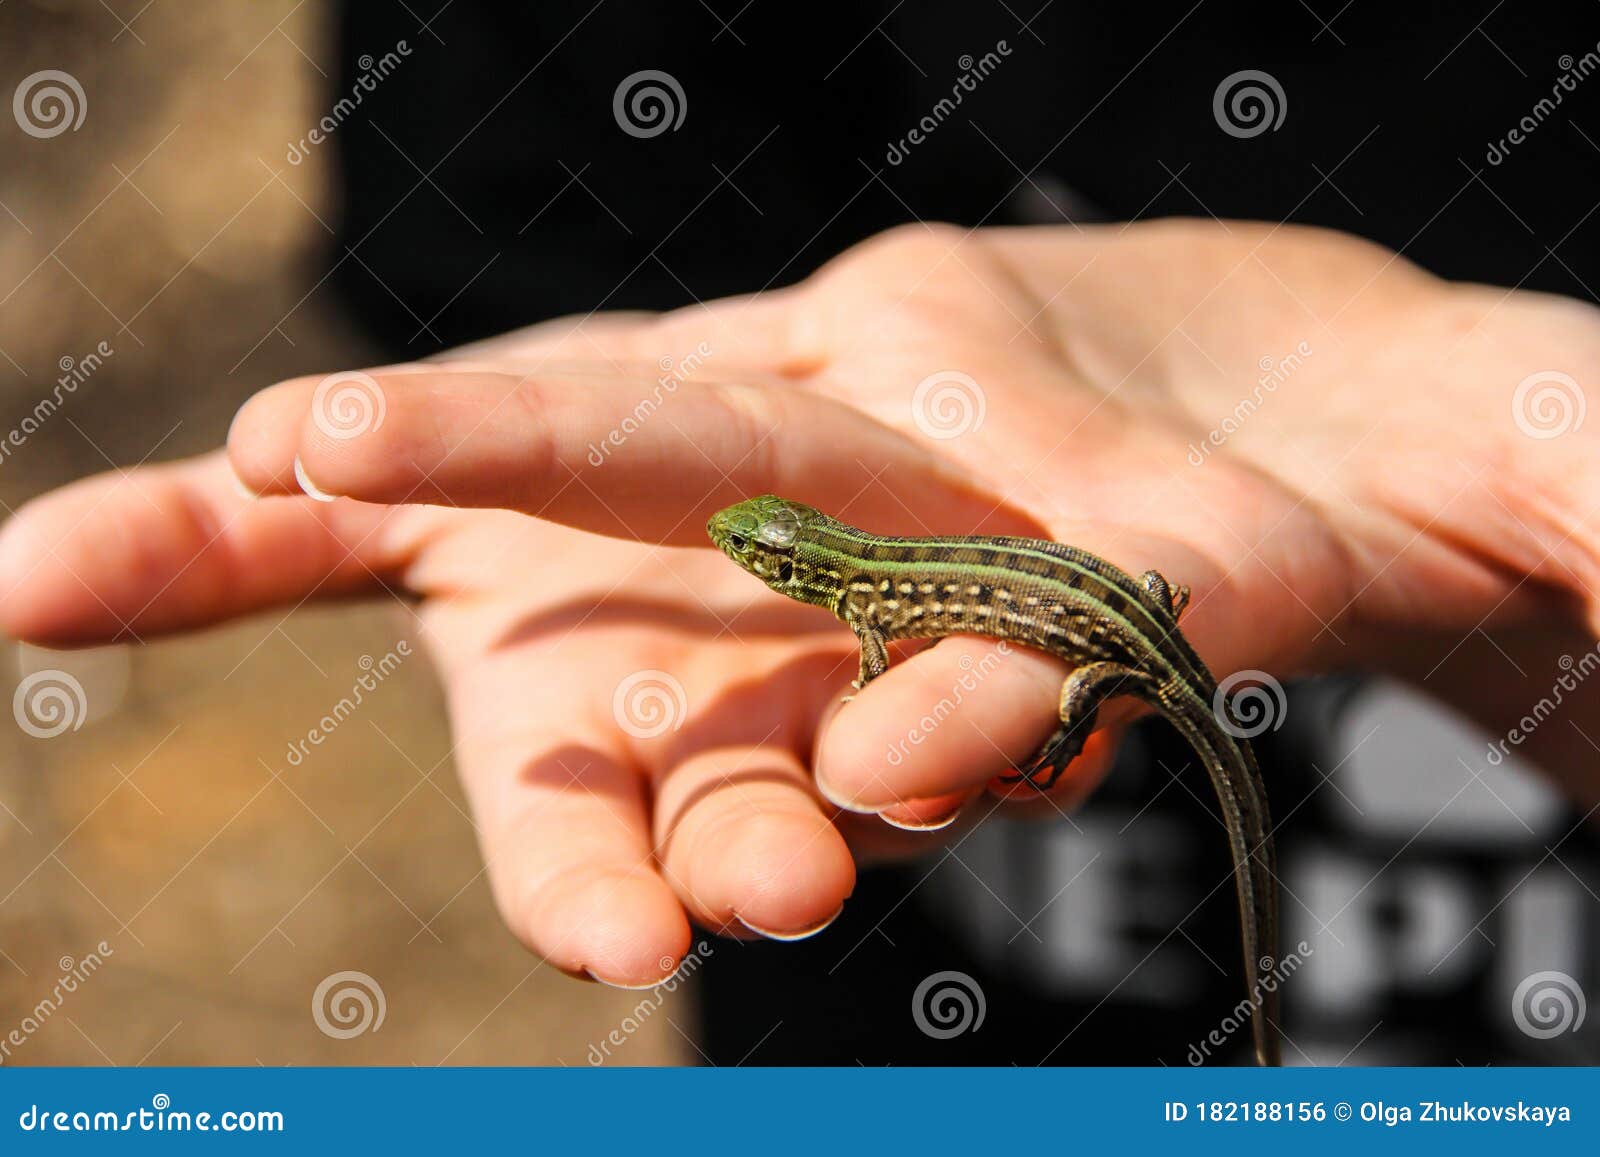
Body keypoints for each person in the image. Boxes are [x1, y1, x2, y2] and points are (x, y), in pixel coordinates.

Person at [5, 5, 1599, 1063]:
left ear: (796, 570)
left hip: (1134, 663)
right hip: (914, 1009)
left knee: (1042, 716)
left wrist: (1504, 597)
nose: (753, 560)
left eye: (766, 557)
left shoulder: (870, 604)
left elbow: (894, 635)